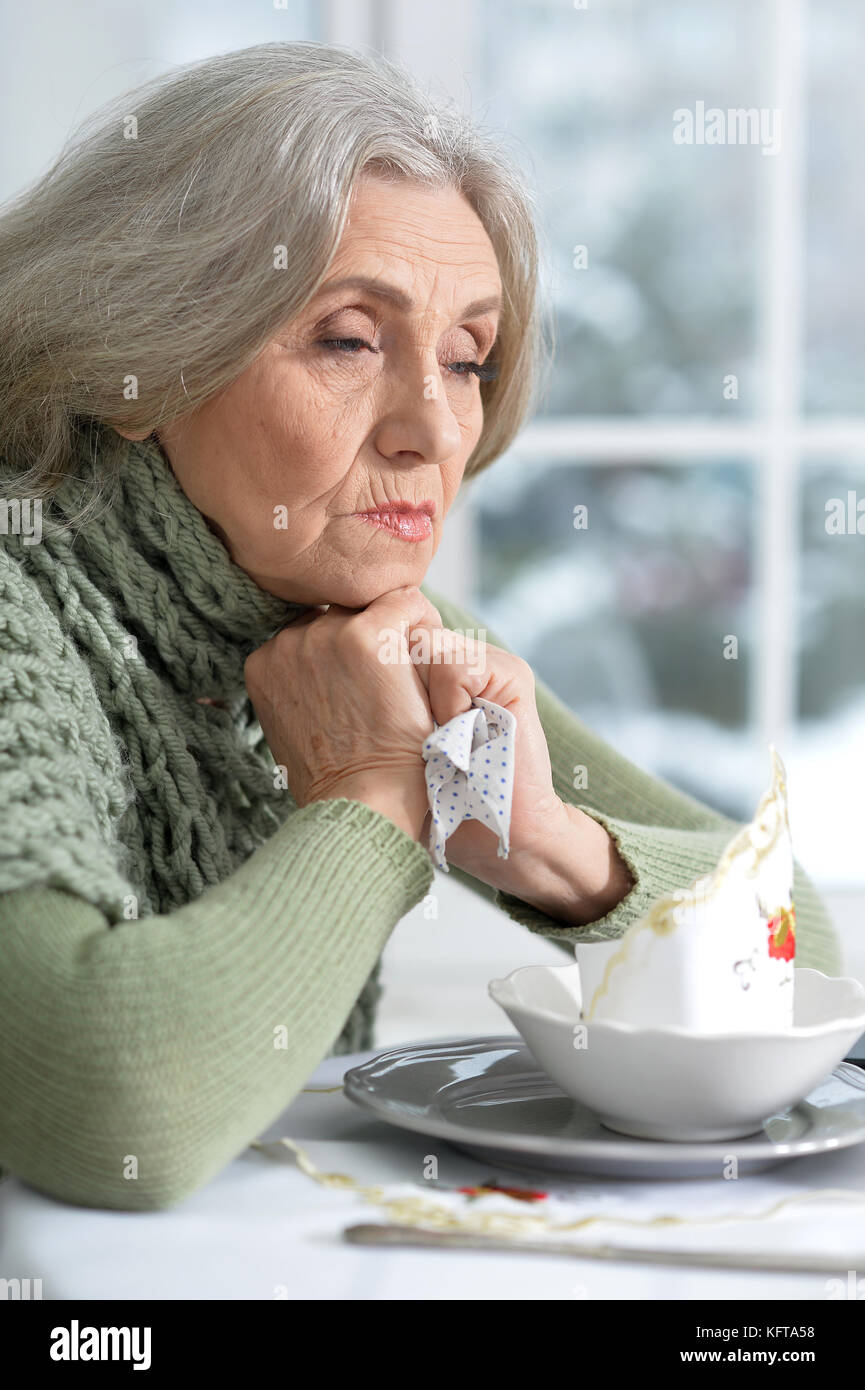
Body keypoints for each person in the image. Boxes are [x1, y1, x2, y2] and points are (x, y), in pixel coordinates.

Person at [0, 41, 841, 1211]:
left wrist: (550, 845)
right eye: (348, 338)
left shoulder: (361, 616)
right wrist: (377, 794)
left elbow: (807, 961)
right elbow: (110, 1111)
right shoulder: (19, 599)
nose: (436, 430)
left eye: (466, 358)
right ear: (144, 362)